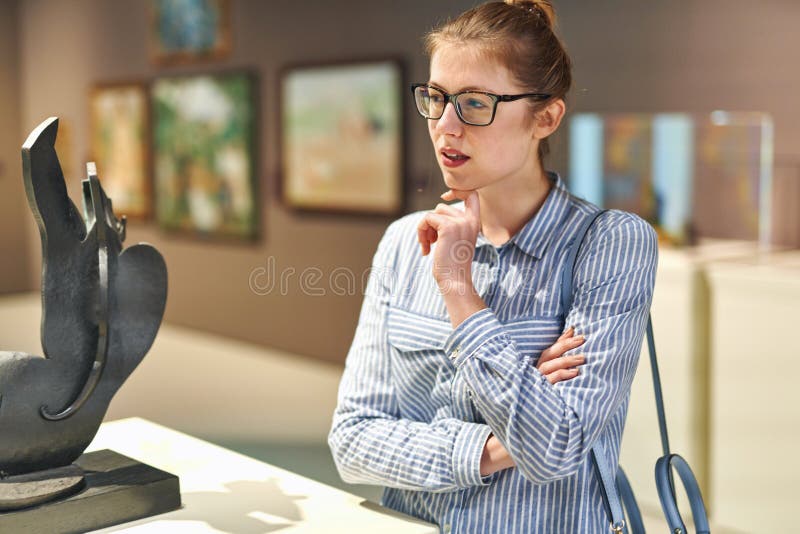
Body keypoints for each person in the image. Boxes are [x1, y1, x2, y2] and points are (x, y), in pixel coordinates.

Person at [328, 1, 658, 532]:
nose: (446, 127)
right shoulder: (401, 243)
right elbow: (352, 440)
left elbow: (554, 449)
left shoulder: (611, 245)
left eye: (475, 103)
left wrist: (459, 290)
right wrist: (498, 447)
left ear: (545, 117)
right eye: (436, 99)